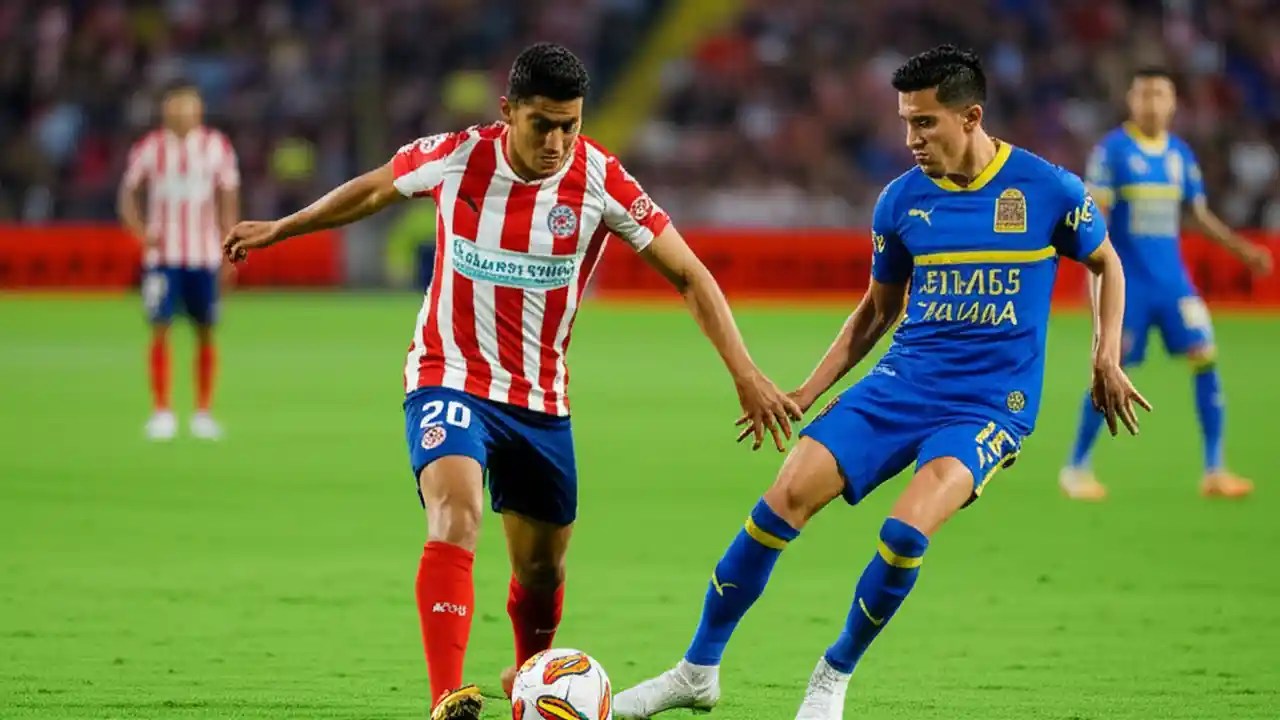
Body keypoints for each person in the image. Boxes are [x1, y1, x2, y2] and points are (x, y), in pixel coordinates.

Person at [222, 42, 799, 720]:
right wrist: (282, 230)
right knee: (457, 513)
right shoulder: (459, 155)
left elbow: (690, 274)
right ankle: (447, 695)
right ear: (508, 113)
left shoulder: (600, 179)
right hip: (449, 375)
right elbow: (375, 188)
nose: (557, 141)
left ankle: (530, 677)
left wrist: (745, 372)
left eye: (570, 125)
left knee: (542, 571)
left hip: (540, 400)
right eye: (542, 124)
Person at [613, 45, 1149, 720]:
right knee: (782, 499)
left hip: (989, 405)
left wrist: (1106, 355)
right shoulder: (901, 203)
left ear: (970, 116)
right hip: (901, 384)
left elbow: (1105, 263)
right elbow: (875, 312)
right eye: (904, 122)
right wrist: (806, 392)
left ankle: (832, 676)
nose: (910, 138)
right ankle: (696, 670)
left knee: (904, 535)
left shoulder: (1048, 191)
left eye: (924, 123)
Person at [1060, 66, 1273, 501]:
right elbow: (1094, 217)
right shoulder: (1113, 152)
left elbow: (1198, 214)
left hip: (1174, 283)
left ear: (1174, 103)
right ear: (1131, 100)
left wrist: (1242, 250)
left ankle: (1215, 469)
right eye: (1145, 94)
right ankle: (1076, 467)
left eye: (1160, 94)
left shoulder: (1179, 154)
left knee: (1205, 356)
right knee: (1111, 370)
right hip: (1129, 285)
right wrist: (1092, 276)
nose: (1152, 103)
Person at [120, 79, 240, 441]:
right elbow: (129, 192)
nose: (183, 111)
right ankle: (162, 411)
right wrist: (139, 229)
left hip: (203, 254)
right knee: (160, 327)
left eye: (189, 105)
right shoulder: (149, 148)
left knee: (205, 330)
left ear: (199, 109)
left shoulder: (216, 147)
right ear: (166, 109)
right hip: (162, 256)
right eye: (176, 105)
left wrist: (230, 248)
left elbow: (228, 198)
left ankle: (203, 412)